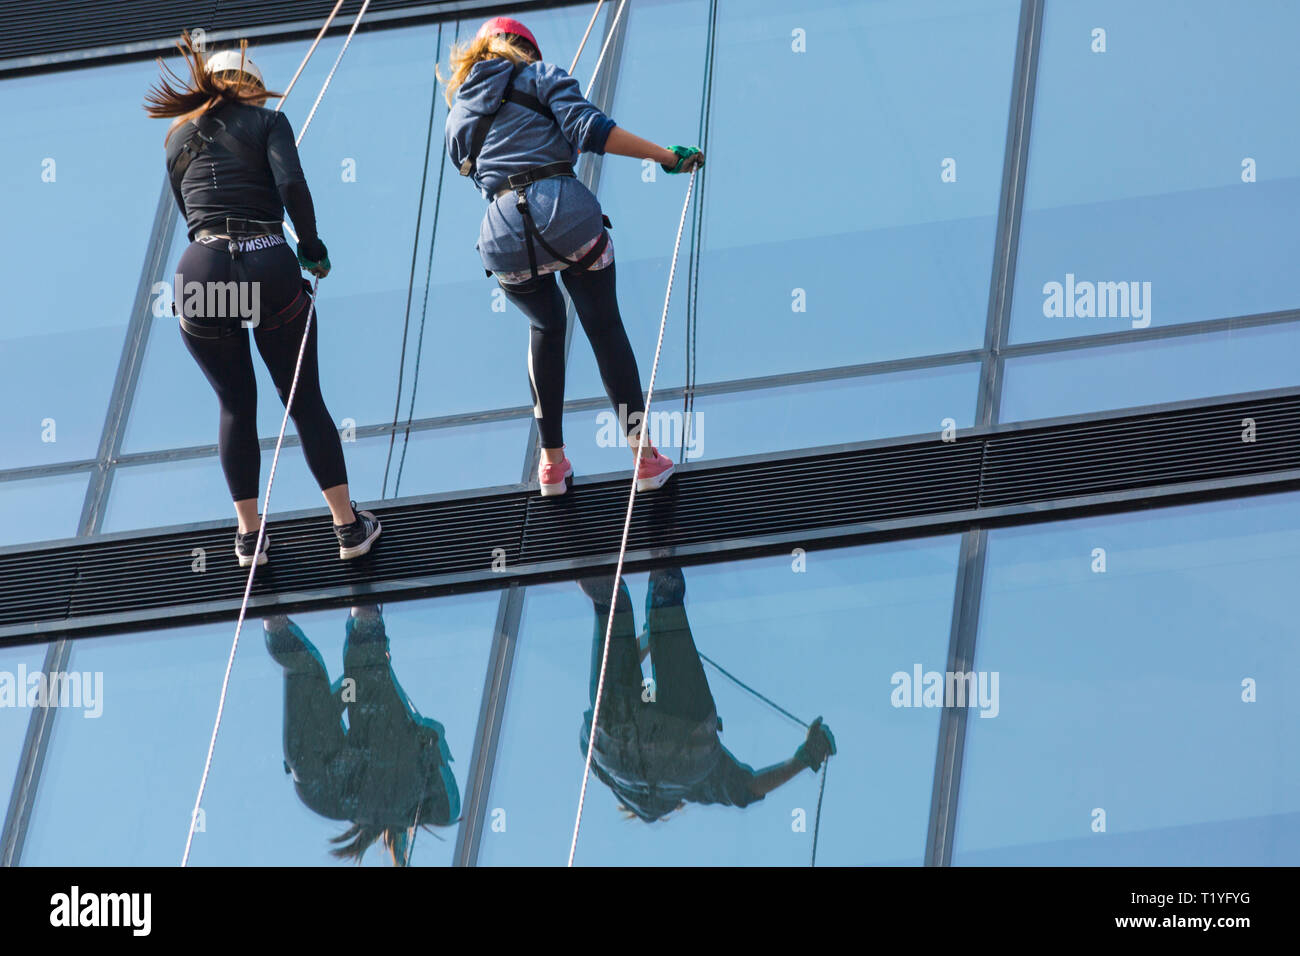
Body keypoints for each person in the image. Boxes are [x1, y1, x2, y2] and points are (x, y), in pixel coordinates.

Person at [442, 17, 705, 497]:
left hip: (502, 235)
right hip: (565, 214)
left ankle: (551, 465)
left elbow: (473, 172)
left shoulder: (458, 112)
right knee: (603, 328)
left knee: (545, 327)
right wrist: (666, 157)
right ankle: (643, 458)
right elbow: (592, 130)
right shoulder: (542, 76)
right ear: (525, 50)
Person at [144, 33, 380, 565]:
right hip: (267, 260)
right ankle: (347, 528)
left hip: (201, 269)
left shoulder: (177, 139)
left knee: (234, 404)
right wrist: (313, 248)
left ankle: (249, 537)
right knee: (303, 400)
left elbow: (192, 216)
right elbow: (292, 185)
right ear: (252, 88)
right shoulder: (269, 123)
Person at [578, 567, 837, 822]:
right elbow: (621, 669)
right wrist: (649, 639)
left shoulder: (694, 787)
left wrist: (807, 756)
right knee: (614, 605)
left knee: (665, 603)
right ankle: (593, 562)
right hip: (614, 746)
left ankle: (660, 569)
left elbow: (751, 787)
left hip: (690, 746)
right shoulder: (610, 776)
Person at [263, 605, 460, 866]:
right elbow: (330, 707)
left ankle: (363, 618)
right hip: (318, 777)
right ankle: (273, 617)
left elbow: (432, 736)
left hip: (329, 777)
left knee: (355, 672)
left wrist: (359, 680)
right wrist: (356, 682)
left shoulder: (422, 802)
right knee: (311, 668)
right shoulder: (352, 791)